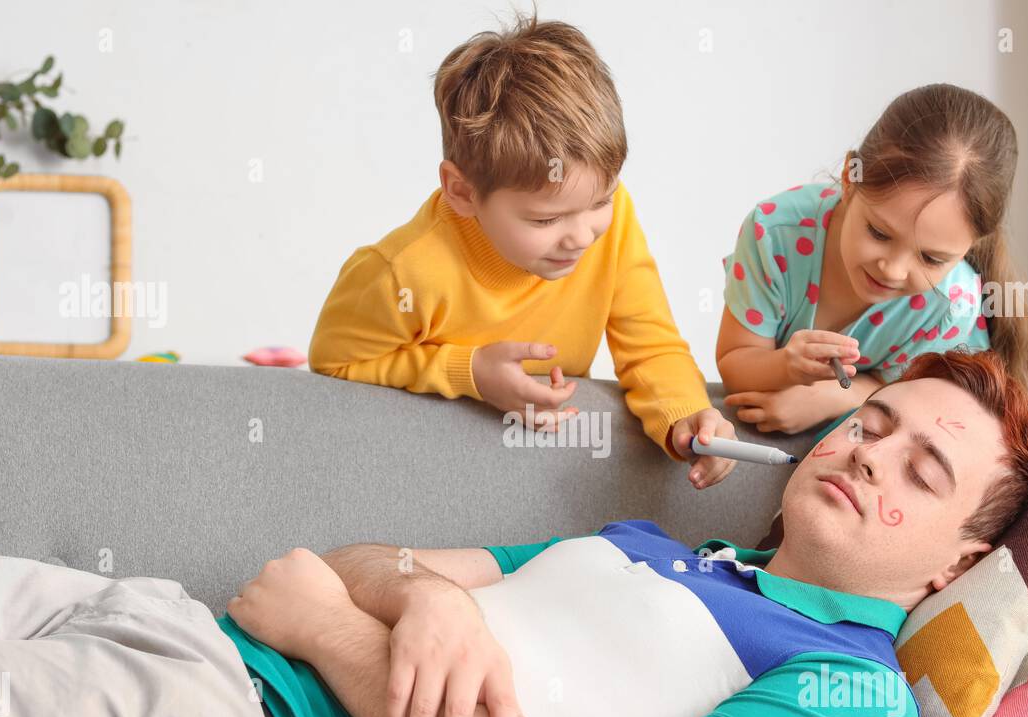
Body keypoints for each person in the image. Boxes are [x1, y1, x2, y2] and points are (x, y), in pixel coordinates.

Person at [0, 351, 1028, 717]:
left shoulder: (853, 696)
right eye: (875, 423)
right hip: (159, 625)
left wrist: (339, 627)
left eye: (923, 473)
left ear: (954, 564)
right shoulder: (660, 548)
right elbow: (362, 557)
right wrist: (423, 602)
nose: (871, 454)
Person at [307, 13, 737, 490]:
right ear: (463, 192)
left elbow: (650, 345)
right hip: (430, 478)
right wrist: (468, 372)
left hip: (538, 478)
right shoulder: (404, 271)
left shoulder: (610, 225)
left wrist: (687, 417)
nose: (580, 236)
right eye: (545, 220)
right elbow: (335, 362)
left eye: (600, 202)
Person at [716, 83, 1028, 437]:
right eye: (879, 233)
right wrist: (785, 367)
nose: (893, 269)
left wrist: (834, 399)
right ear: (849, 178)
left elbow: (927, 402)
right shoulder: (775, 235)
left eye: (931, 258)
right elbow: (735, 361)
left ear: (972, 245)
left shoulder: (951, 306)